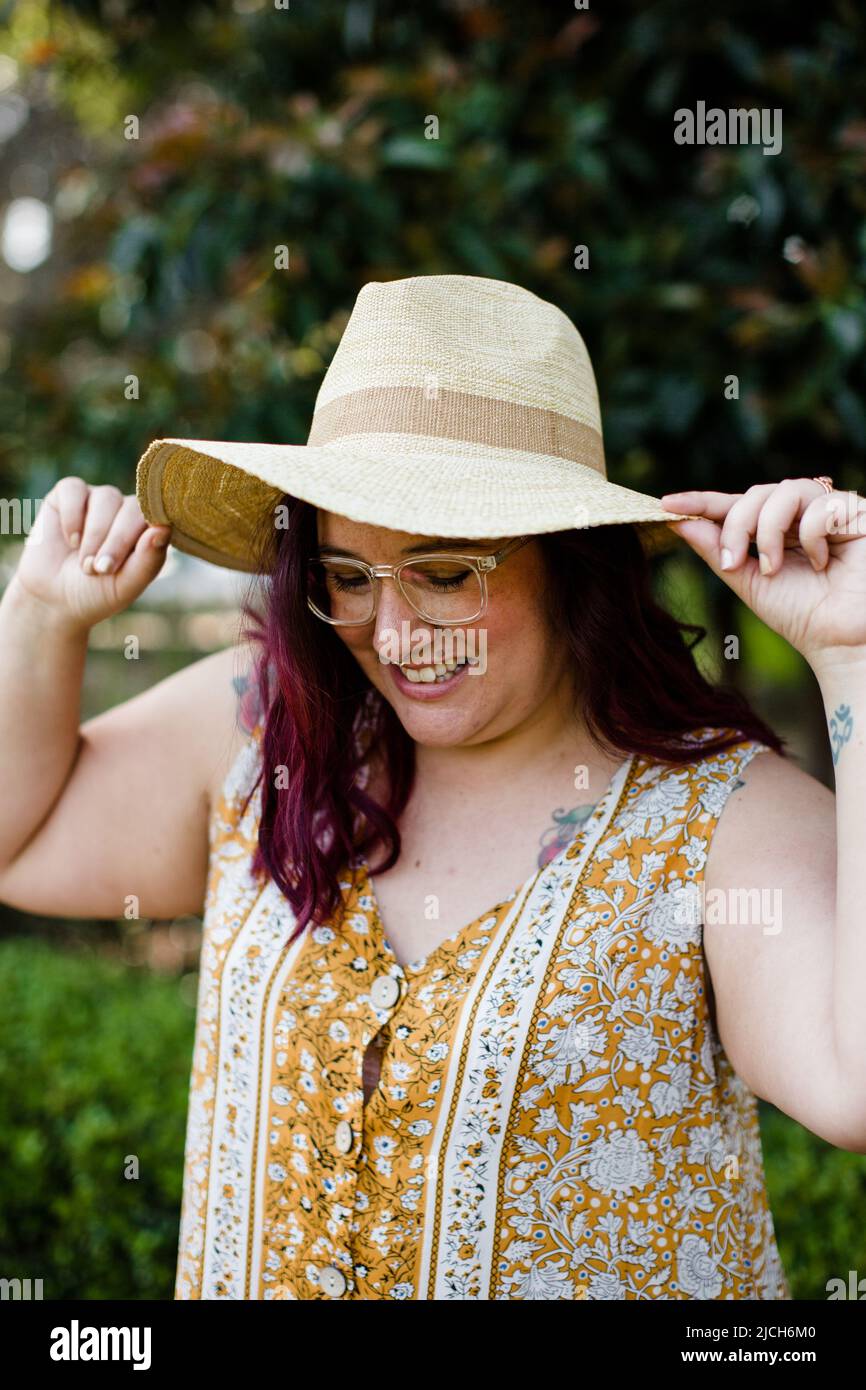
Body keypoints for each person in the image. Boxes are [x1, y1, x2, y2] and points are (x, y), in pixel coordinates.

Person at [1, 274, 863, 1302]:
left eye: (445, 571)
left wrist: (853, 660)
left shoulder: (718, 818)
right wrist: (43, 616)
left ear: (567, 562)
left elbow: (852, 1088)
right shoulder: (267, 726)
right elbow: (20, 843)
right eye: (348, 577)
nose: (395, 635)